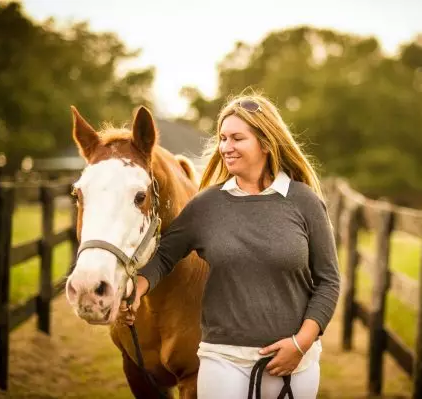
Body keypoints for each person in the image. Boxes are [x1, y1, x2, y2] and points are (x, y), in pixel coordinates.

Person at [128, 93, 340, 398]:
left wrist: (301, 343)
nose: (226, 147)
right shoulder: (207, 204)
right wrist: (137, 287)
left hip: (294, 363)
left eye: (237, 138)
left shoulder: (304, 202)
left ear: (266, 143)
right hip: (222, 360)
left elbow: (329, 281)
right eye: (223, 138)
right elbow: (163, 257)